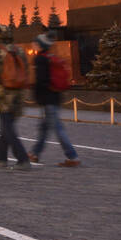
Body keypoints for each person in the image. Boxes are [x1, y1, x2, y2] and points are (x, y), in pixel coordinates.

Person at [0, 24, 31, 169]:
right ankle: (1, 158)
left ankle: (23, 159)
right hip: (19, 93)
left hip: (3, 94)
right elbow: (26, 70)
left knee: (6, 127)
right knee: (6, 126)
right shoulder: (19, 50)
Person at [29, 34, 80, 166]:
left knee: (57, 128)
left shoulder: (40, 59)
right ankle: (34, 154)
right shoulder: (51, 58)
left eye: (35, 43)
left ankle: (72, 157)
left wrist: (35, 93)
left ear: (40, 45)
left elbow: (42, 80)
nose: (33, 45)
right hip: (55, 97)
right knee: (44, 128)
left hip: (47, 99)